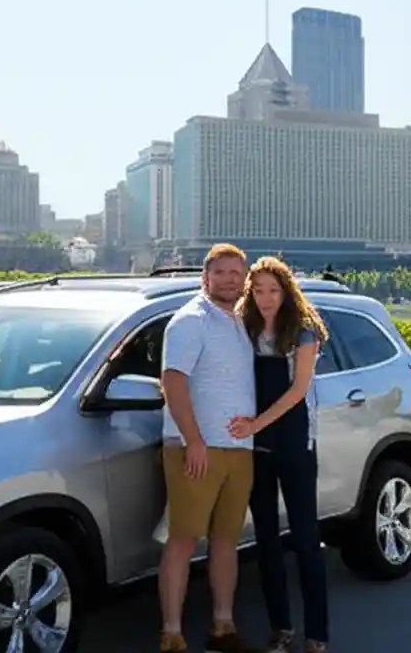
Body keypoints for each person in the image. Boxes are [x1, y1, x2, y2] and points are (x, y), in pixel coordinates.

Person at [157, 244, 261, 653]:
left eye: (237, 272)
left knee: (225, 540)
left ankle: (223, 626)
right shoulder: (189, 321)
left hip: (240, 450)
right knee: (183, 539)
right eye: (221, 272)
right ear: (206, 277)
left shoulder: (242, 322)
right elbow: (173, 380)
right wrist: (194, 441)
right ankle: (171, 633)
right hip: (197, 449)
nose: (230, 279)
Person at [229, 256, 331, 653]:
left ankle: (317, 633)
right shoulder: (244, 329)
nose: (266, 298)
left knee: (306, 540)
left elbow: (298, 391)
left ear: (287, 291)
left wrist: (255, 424)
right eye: (258, 291)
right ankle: (281, 629)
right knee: (266, 540)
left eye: (273, 290)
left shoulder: (302, 332)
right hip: (257, 448)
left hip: (293, 442)